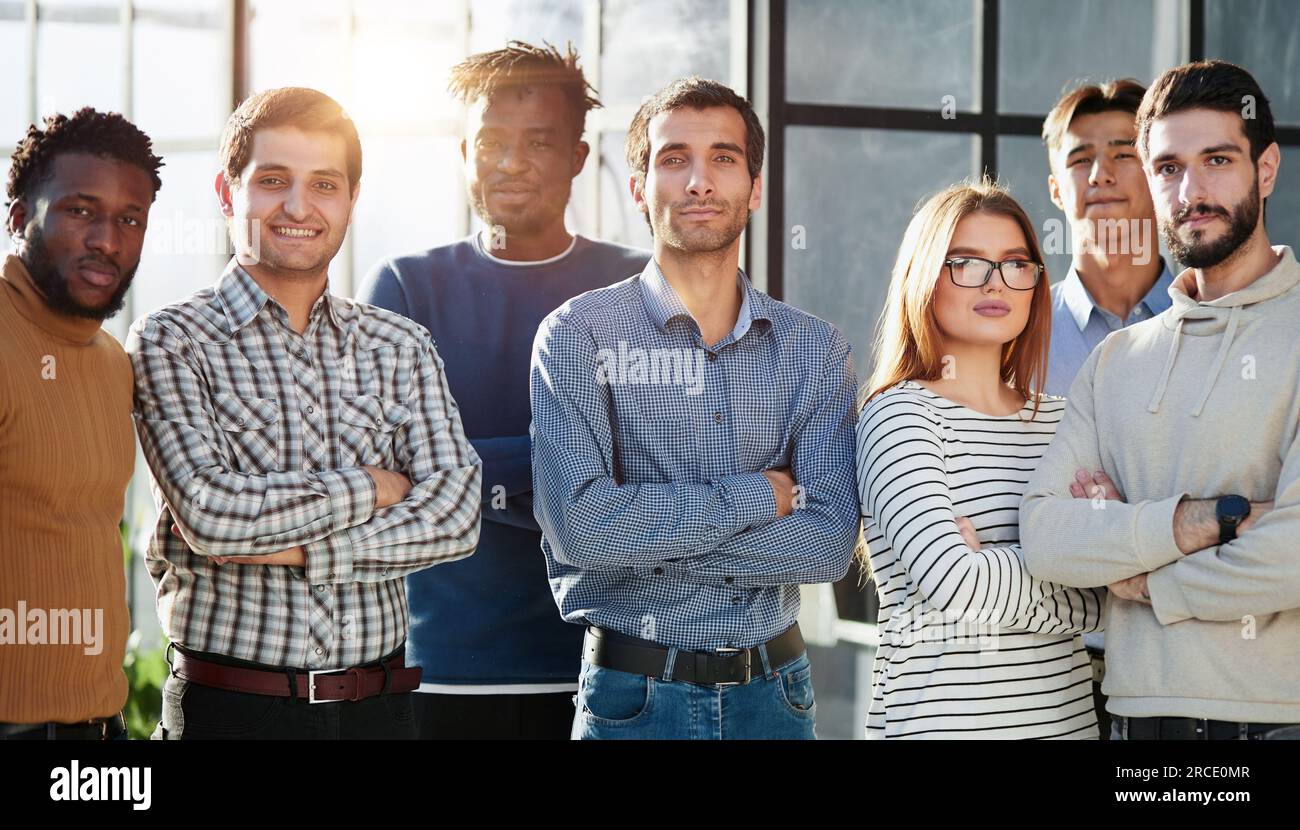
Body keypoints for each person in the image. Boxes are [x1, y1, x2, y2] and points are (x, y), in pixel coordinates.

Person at [127, 87, 482, 740]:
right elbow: (211, 515)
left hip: (380, 713)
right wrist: (374, 486)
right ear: (228, 192)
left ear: (350, 200)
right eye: (272, 180)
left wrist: (294, 550)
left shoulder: (399, 345)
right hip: (230, 714)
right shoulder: (171, 339)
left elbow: (455, 518)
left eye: (324, 183)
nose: (298, 206)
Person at [530, 76, 859, 740]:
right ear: (638, 188)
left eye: (724, 159)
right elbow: (582, 533)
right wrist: (750, 499)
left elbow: (825, 547)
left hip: (776, 699)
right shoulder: (577, 336)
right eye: (674, 158)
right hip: (631, 698)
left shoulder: (817, 350)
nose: (699, 182)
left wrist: (640, 535)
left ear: (755, 188)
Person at [357, 41, 648, 740]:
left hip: (605, 674)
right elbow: (382, 480)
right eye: (491, 141)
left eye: (539, 142)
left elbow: (651, 467)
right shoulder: (404, 287)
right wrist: (568, 478)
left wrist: (460, 473)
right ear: (463, 151)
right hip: (439, 672)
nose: (512, 162)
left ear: (579, 156)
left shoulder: (633, 289)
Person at [1021, 60, 1300, 740]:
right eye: (1169, 167)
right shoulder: (1118, 358)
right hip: (1133, 722)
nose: (1191, 190)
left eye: (1217, 160)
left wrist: (1144, 580)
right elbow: (1047, 538)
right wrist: (1204, 522)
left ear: (1265, 170)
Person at [856, 179, 1104, 739]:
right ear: (924, 276)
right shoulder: (899, 415)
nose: (997, 283)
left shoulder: (1064, 420)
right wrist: (1068, 564)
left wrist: (992, 561)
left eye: (1016, 264)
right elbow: (952, 580)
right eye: (967, 263)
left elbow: (1113, 593)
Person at [0, 109, 162, 741]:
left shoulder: (111, 362)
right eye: (80, 211)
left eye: (130, 219)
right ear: (18, 216)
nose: (107, 240)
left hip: (100, 726)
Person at [1040, 78, 1176, 737]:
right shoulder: (1013, 333)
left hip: (1188, 670)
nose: (1101, 174)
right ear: (1054, 189)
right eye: (1078, 157)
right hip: (1045, 673)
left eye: (1124, 151)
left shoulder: (1213, 321)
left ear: (1158, 168)